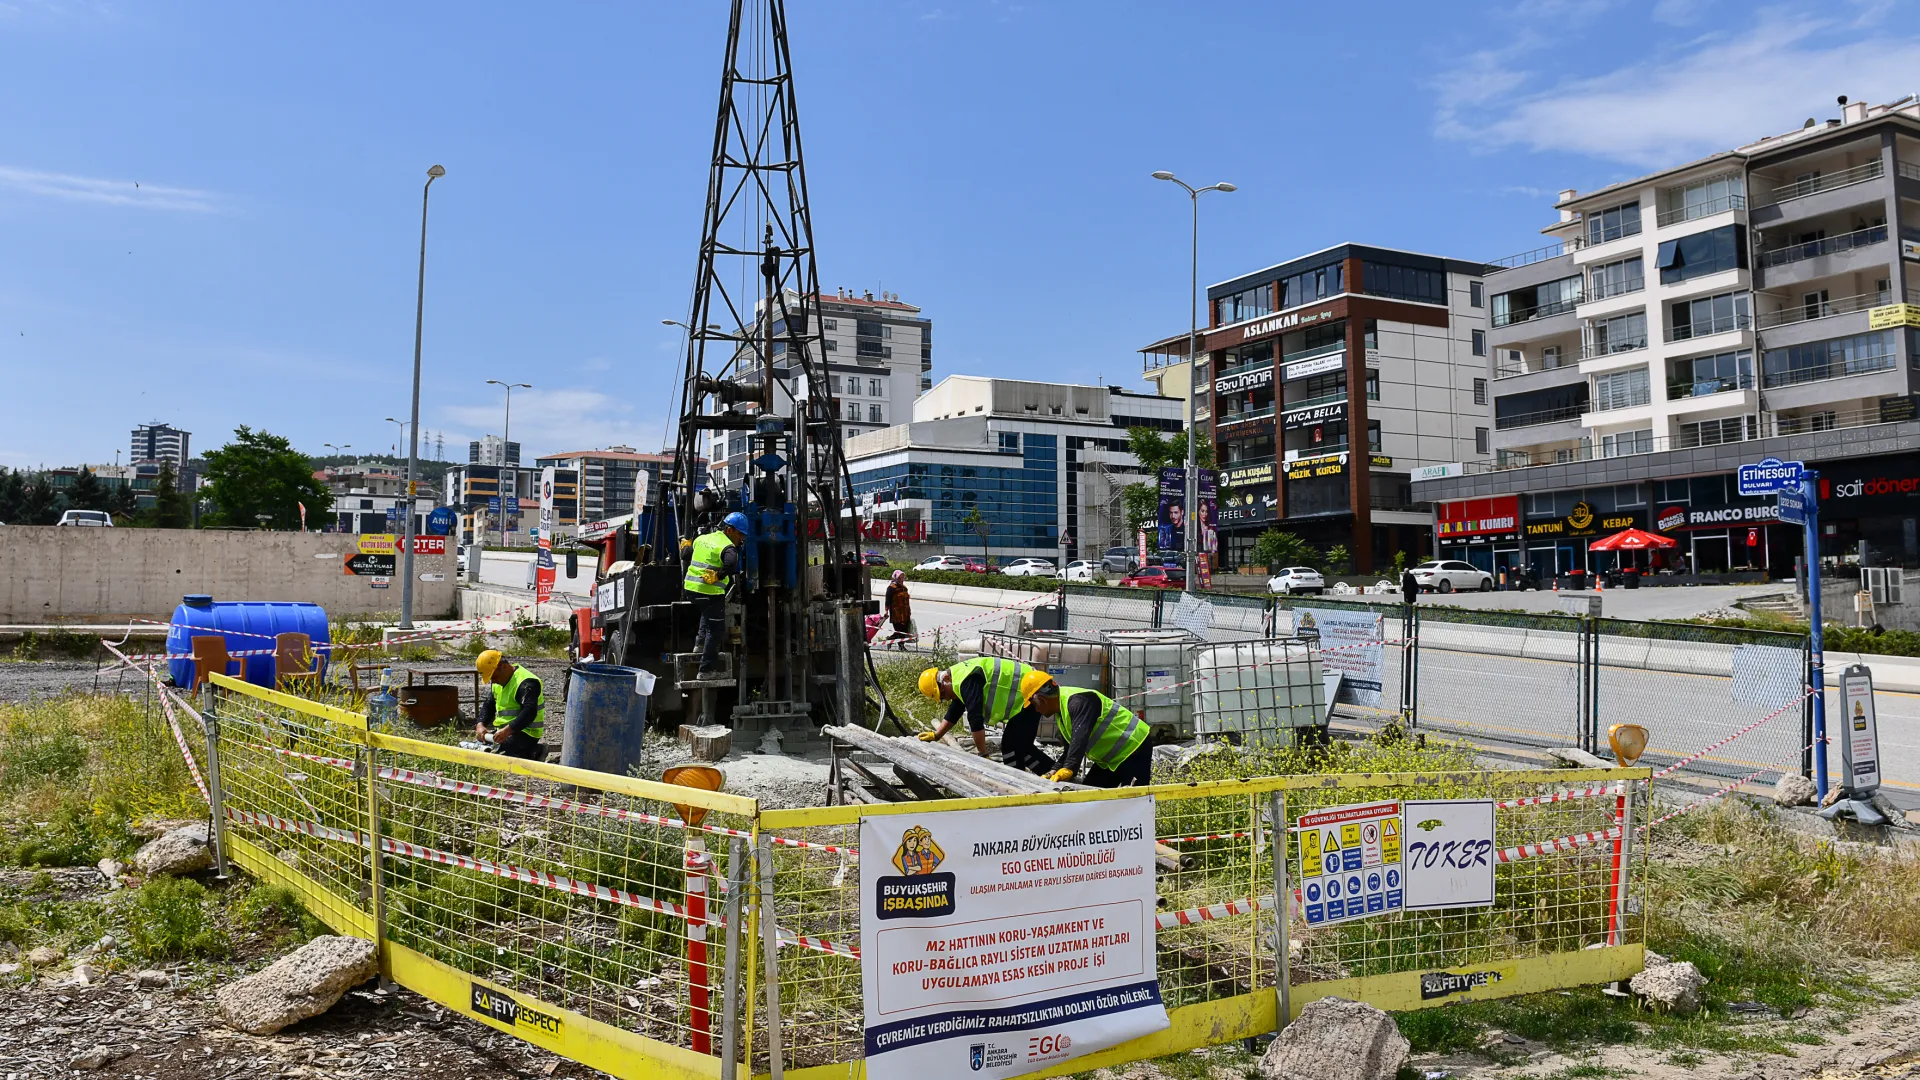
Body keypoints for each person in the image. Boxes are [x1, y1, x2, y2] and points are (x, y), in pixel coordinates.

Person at [915, 658, 1056, 774]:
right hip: (1030, 695)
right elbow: (955, 710)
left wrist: (982, 753)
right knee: (1021, 746)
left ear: (945, 679)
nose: (946, 698)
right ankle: (1050, 773)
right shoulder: (958, 679)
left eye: (944, 693)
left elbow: (975, 719)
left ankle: (1020, 781)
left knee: (1011, 745)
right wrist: (937, 735)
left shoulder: (966, 679)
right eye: (943, 698)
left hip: (1032, 694)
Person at [1032, 680, 1153, 789]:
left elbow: (1081, 737)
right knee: (1091, 797)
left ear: (1042, 699)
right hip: (1110, 759)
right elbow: (1071, 747)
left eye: (1035, 705)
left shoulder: (1078, 701)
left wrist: (1069, 768)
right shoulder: (1061, 711)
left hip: (1134, 747)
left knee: (1136, 799)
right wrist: (1054, 770)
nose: (1036, 710)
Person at [683, 512, 748, 675]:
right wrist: (718, 575)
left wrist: (685, 545)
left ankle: (699, 645)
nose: (741, 539)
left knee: (708, 612)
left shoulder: (702, 538)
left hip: (690, 590)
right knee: (716, 629)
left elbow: (685, 555)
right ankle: (706, 670)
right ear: (730, 530)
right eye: (740, 534)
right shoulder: (728, 546)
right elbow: (732, 565)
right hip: (709, 590)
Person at [472, 649, 546, 761]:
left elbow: (529, 712)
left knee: (500, 755)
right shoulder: (499, 682)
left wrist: (507, 731)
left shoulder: (526, 682)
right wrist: (480, 724)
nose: (494, 681)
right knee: (476, 748)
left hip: (526, 733)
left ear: (503, 666)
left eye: (494, 677)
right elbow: (489, 705)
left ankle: (534, 751)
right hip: (504, 731)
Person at [883, 570, 914, 649]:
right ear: (895, 577)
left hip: (905, 613)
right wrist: (886, 611)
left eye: (903, 577)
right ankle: (890, 640)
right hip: (896, 613)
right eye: (900, 577)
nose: (901, 579)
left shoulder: (904, 588)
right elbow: (887, 601)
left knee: (904, 631)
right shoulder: (891, 588)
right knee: (899, 630)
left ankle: (901, 646)